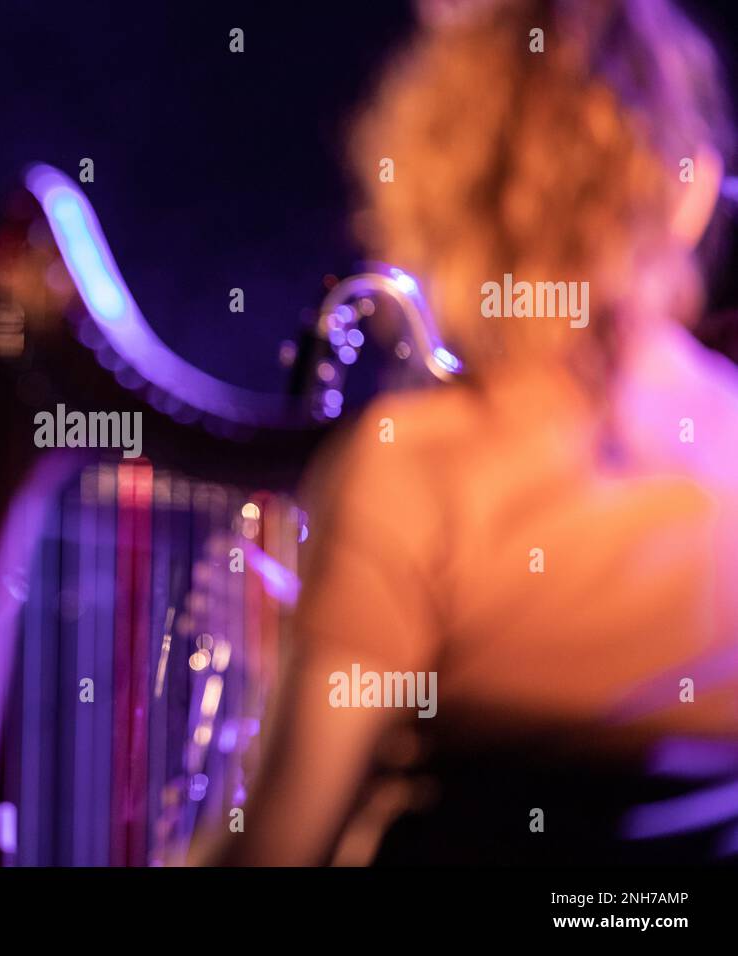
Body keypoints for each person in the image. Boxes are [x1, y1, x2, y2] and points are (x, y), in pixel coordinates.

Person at [200, 0, 738, 865]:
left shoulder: (410, 473)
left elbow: (273, 852)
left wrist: (287, 673)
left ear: (432, 186)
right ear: (690, 190)